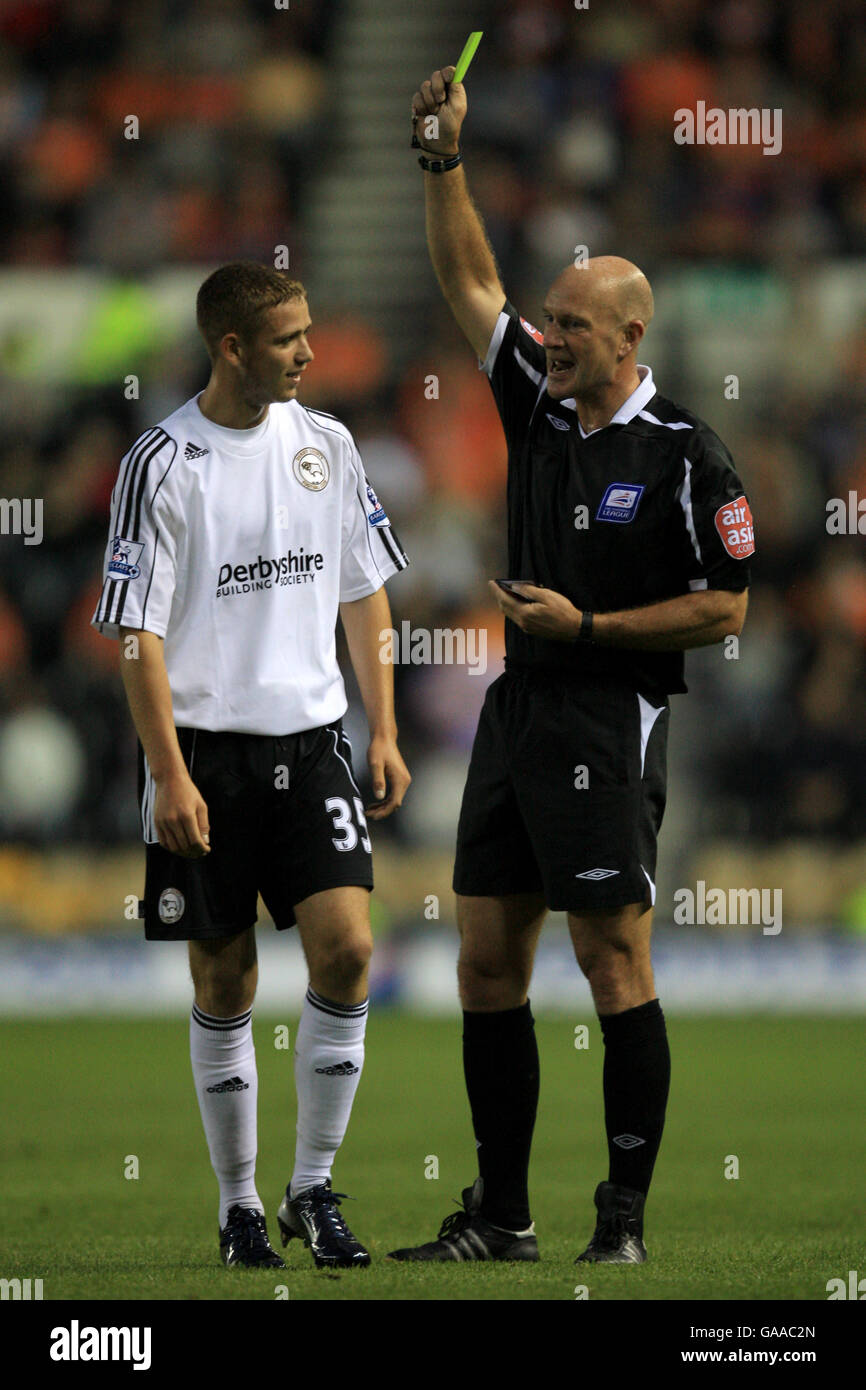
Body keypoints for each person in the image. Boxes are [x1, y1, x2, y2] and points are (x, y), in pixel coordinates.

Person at [388, 68, 753, 1265]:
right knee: (485, 959)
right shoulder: (537, 405)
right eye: (547, 321)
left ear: (630, 337)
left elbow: (723, 604)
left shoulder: (688, 455)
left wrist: (587, 629)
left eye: (573, 325)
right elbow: (467, 282)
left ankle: (624, 1219)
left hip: (607, 713)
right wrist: (443, 163)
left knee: (609, 956)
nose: (547, 336)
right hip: (518, 711)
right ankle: (501, 1215)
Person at [92, 261, 410, 1270]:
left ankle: (310, 1189)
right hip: (205, 760)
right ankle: (237, 1209)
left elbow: (363, 590)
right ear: (231, 347)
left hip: (312, 747)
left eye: (309, 333)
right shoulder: (163, 463)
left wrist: (386, 728)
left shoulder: (329, 444)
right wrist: (169, 774)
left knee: (349, 950)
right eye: (288, 340)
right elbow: (135, 633)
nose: (311, 352)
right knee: (224, 978)